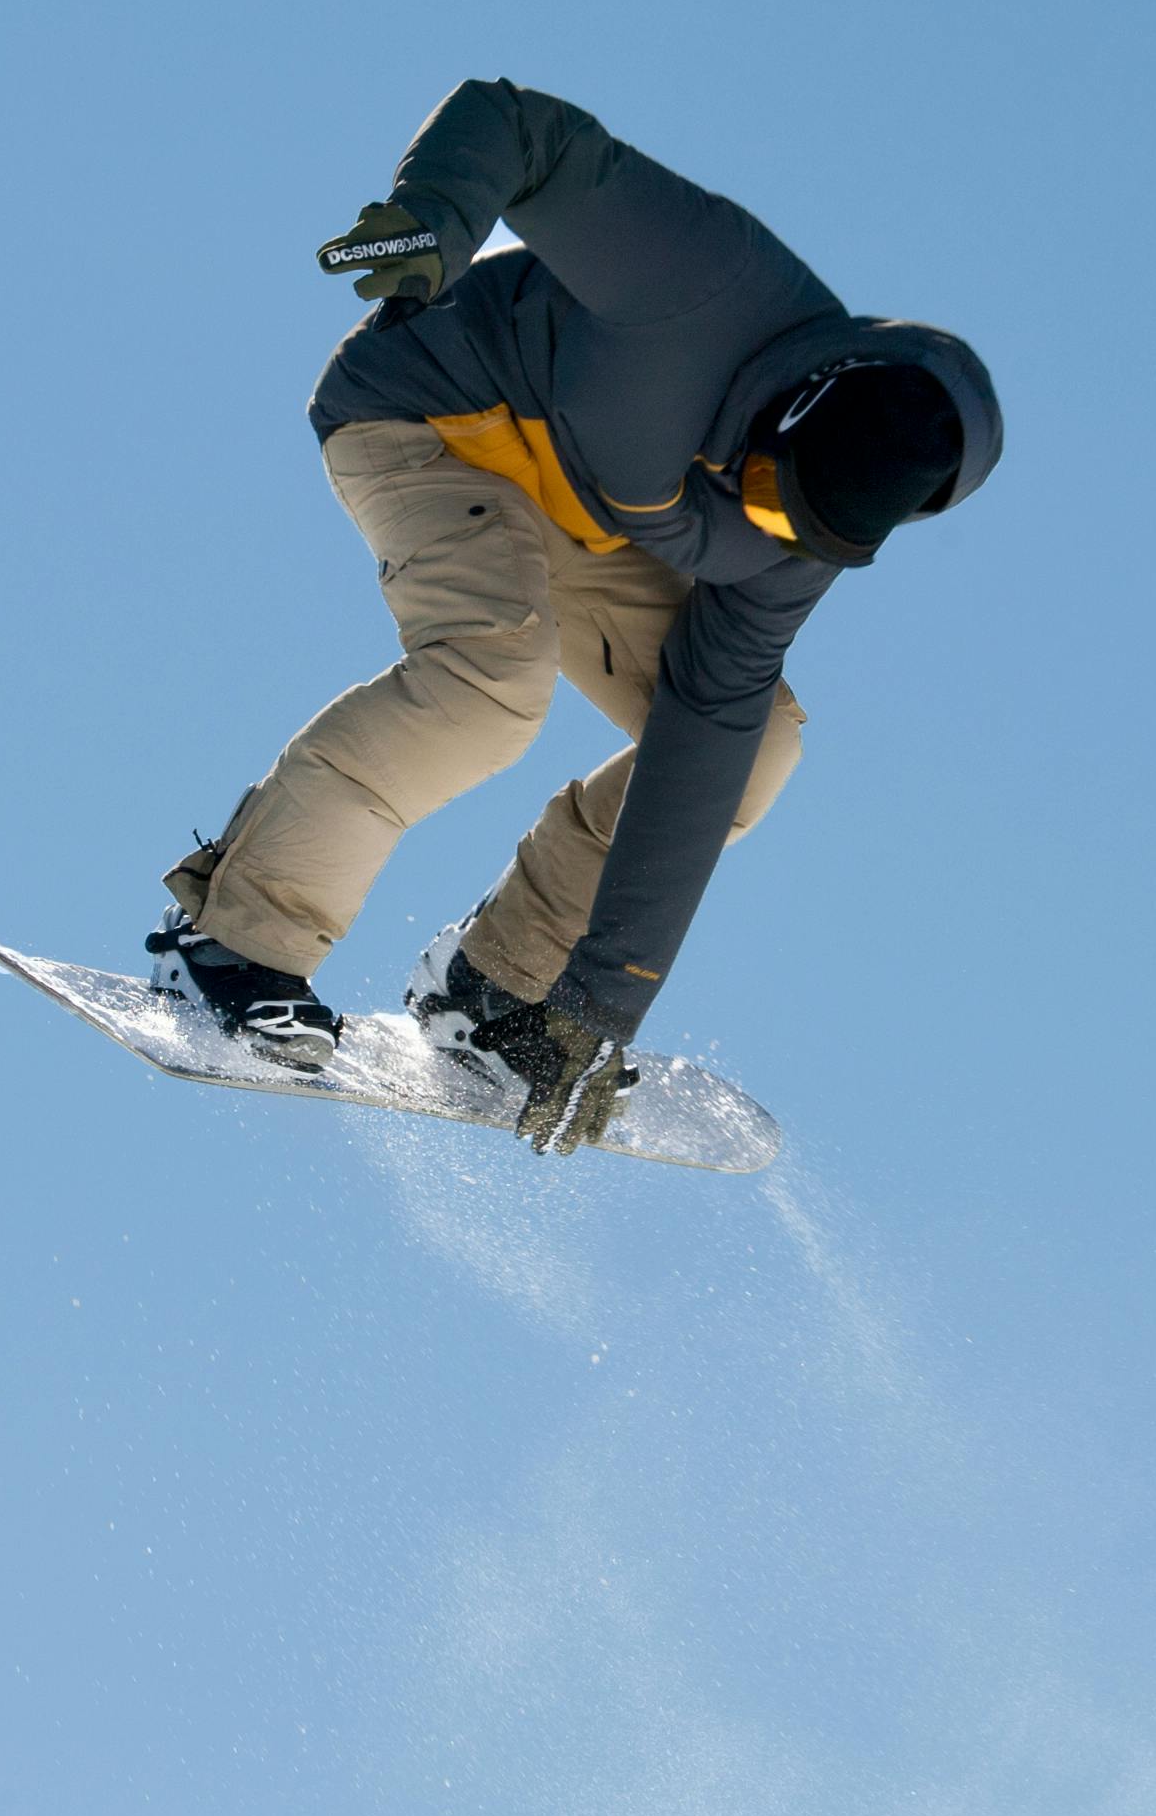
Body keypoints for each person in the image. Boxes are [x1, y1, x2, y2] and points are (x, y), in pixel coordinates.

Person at [146, 78, 1003, 1152]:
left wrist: (599, 1008)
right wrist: (435, 224)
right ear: (799, 406)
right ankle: (232, 943)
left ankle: (494, 990)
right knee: (492, 684)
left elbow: (706, 738)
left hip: (589, 522)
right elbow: (521, 129)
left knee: (756, 748)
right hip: (432, 414)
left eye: (802, 531)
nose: (764, 519)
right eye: (773, 489)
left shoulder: (794, 539)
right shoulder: (704, 281)